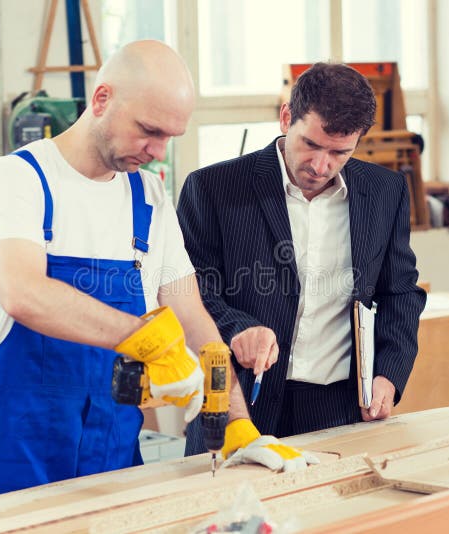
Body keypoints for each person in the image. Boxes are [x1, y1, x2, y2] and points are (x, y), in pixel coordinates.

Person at [0, 40, 315, 505]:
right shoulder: (20, 178)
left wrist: (235, 421)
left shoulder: (149, 197)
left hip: (107, 453)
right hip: (8, 451)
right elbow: (24, 293)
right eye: (148, 130)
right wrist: (148, 339)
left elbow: (192, 318)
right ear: (102, 99)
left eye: (169, 137)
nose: (157, 151)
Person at [178, 62, 427, 455]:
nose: (321, 165)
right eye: (311, 144)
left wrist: (388, 374)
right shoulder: (212, 188)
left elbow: (400, 293)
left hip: (339, 407)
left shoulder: (385, 191)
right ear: (286, 118)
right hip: (240, 398)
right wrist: (238, 329)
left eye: (340, 152)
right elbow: (190, 289)